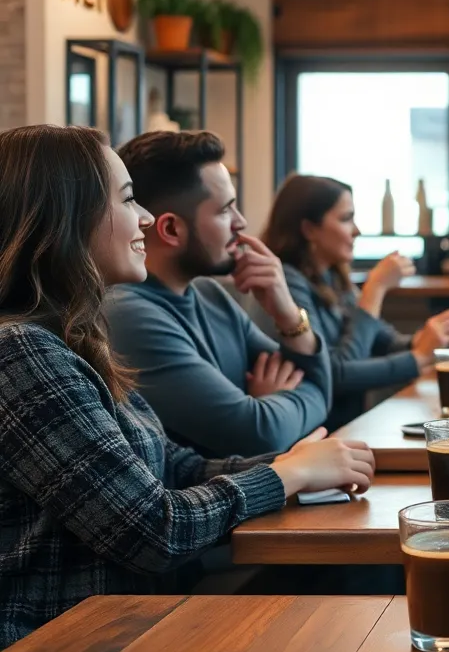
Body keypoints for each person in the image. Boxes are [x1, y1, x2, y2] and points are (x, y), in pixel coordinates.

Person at [0, 125, 375, 649]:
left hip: (122, 631)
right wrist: (289, 474)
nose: (147, 219)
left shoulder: (76, 338)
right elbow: (152, 530)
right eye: (130, 201)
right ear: (67, 218)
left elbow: (177, 469)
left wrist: (296, 466)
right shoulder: (21, 354)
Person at [104, 130, 332, 457]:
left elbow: (320, 389)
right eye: (226, 210)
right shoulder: (128, 315)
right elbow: (259, 434)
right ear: (171, 229)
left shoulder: (210, 294)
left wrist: (287, 314)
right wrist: (264, 409)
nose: (241, 223)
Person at [260, 175, 449, 429]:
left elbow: (382, 341)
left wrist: (427, 339)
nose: (357, 230)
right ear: (309, 229)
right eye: (346, 219)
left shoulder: (332, 276)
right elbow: (336, 373)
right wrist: (376, 289)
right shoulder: (285, 283)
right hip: (320, 433)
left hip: (346, 429)